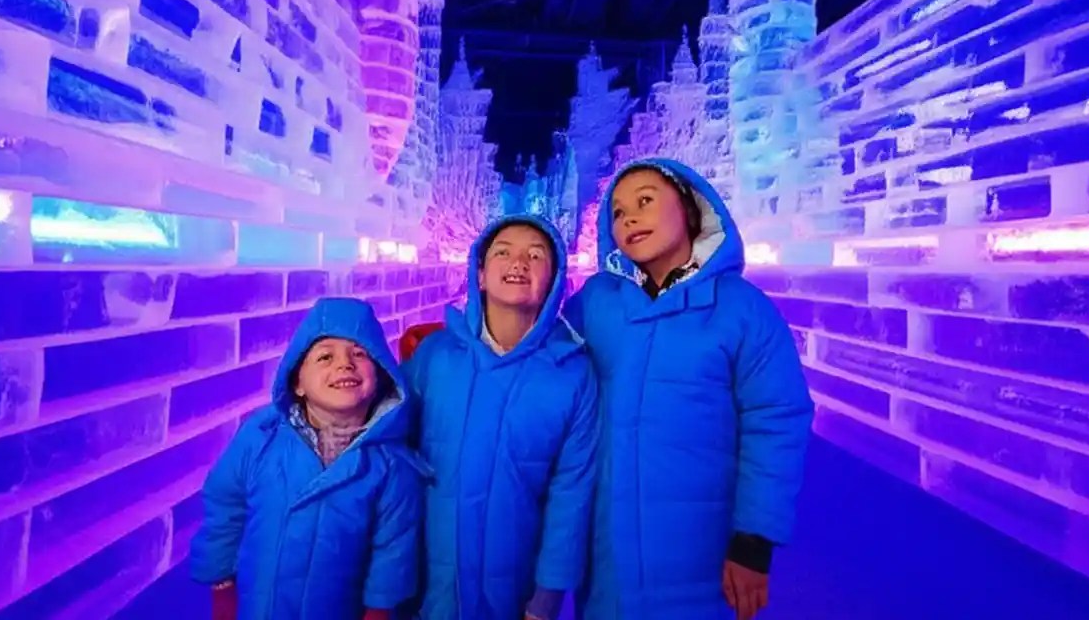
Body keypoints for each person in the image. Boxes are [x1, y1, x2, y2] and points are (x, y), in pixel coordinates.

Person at [565, 159, 814, 620]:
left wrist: (753, 541)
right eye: (617, 213)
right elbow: (543, 361)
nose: (630, 218)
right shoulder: (595, 303)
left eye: (644, 201)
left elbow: (776, 420)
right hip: (606, 553)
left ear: (690, 208)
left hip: (700, 554)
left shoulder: (741, 309)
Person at [404, 215, 598, 620]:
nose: (518, 262)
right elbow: (392, 451)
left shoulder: (572, 373)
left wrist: (546, 600)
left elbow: (571, 492)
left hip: (513, 587)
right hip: (424, 584)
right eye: (503, 252)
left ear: (555, 280)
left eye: (535, 255)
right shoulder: (435, 356)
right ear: (480, 274)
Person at [191, 297, 426, 620]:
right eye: (325, 356)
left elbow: (393, 551)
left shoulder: (393, 467)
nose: (344, 364)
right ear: (297, 382)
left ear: (382, 376)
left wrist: (378, 611)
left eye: (360, 353)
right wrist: (222, 588)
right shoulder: (260, 438)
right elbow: (225, 507)